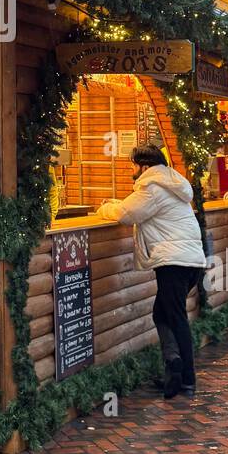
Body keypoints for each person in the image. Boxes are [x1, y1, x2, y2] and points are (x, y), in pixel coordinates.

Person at [96, 146, 205, 400]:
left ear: (145, 166)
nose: (130, 171)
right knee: (163, 313)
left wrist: (104, 208)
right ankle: (174, 368)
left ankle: (187, 379)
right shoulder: (171, 183)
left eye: (133, 165)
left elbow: (126, 214)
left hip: (174, 262)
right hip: (189, 261)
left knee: (176, 318)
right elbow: (133, 208)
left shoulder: (152, 188)